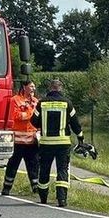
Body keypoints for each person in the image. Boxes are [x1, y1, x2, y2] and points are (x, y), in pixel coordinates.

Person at [34, 78, 84, 207]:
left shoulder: (41, 103)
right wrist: (80, 138)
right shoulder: (67, 103)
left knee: (44, 169)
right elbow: (75, 124)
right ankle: (62, 200)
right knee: (62, 170)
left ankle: (43, 198)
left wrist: (43, 126)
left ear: (50, 88)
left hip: (46, 143)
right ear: (60, 88)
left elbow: (33, 121)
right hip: (63, 144)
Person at [1, 80, 40, 197]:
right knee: (13, 164)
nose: (33, 88)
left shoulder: (36, 101)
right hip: (18, 140)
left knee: (34, 164)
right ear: (24, 87)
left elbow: (38, 118)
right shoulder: (15, 100)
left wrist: (29, 113)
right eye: (31, 86)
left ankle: (36, 189)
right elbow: (16, 116)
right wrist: (30, 113)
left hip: (32, 140)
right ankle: (6, 188)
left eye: (34, 86)